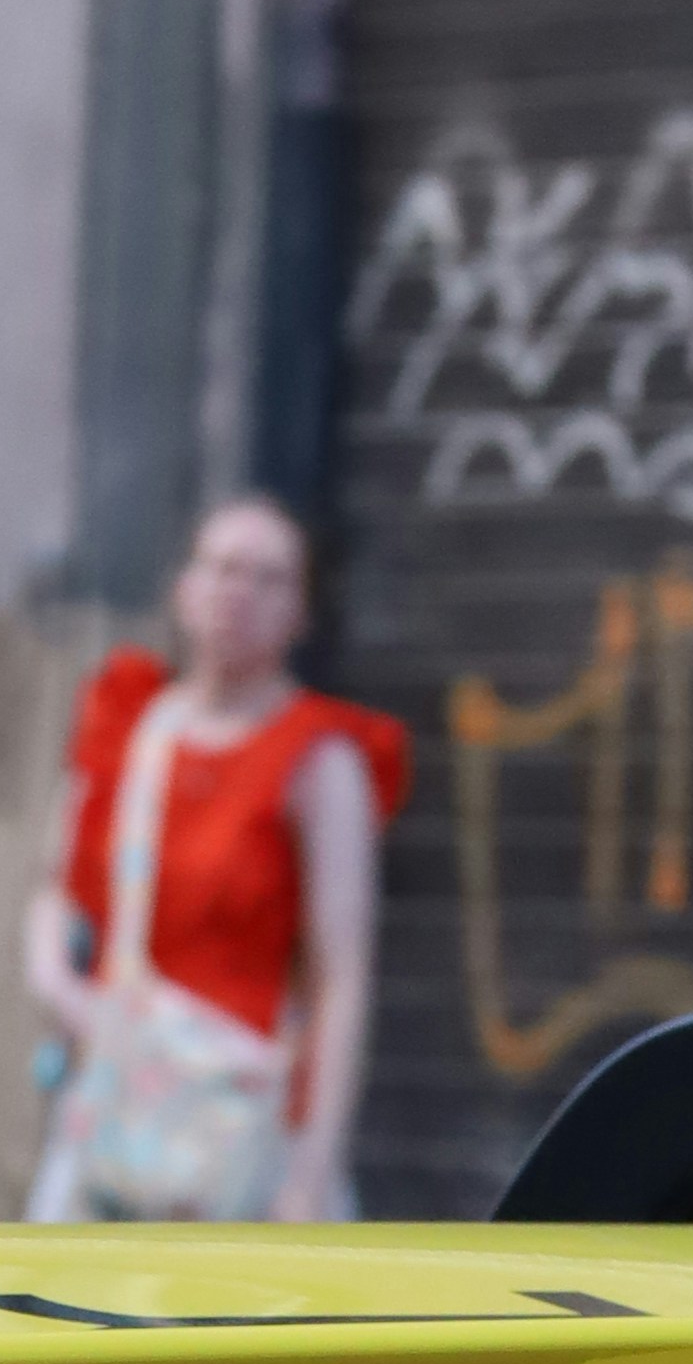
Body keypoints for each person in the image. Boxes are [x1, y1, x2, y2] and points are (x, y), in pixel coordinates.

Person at [23, 494, 406, 1226]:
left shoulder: (319, 759)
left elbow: (342, 978)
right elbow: (57, 888)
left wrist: (316, 1165)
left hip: (243, 1127)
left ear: (300, 612)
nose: (239, 592)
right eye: (223, 567)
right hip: (115, 1106)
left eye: (269, 578)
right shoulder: (127, 723)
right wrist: (57, 982)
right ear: (183, 586)